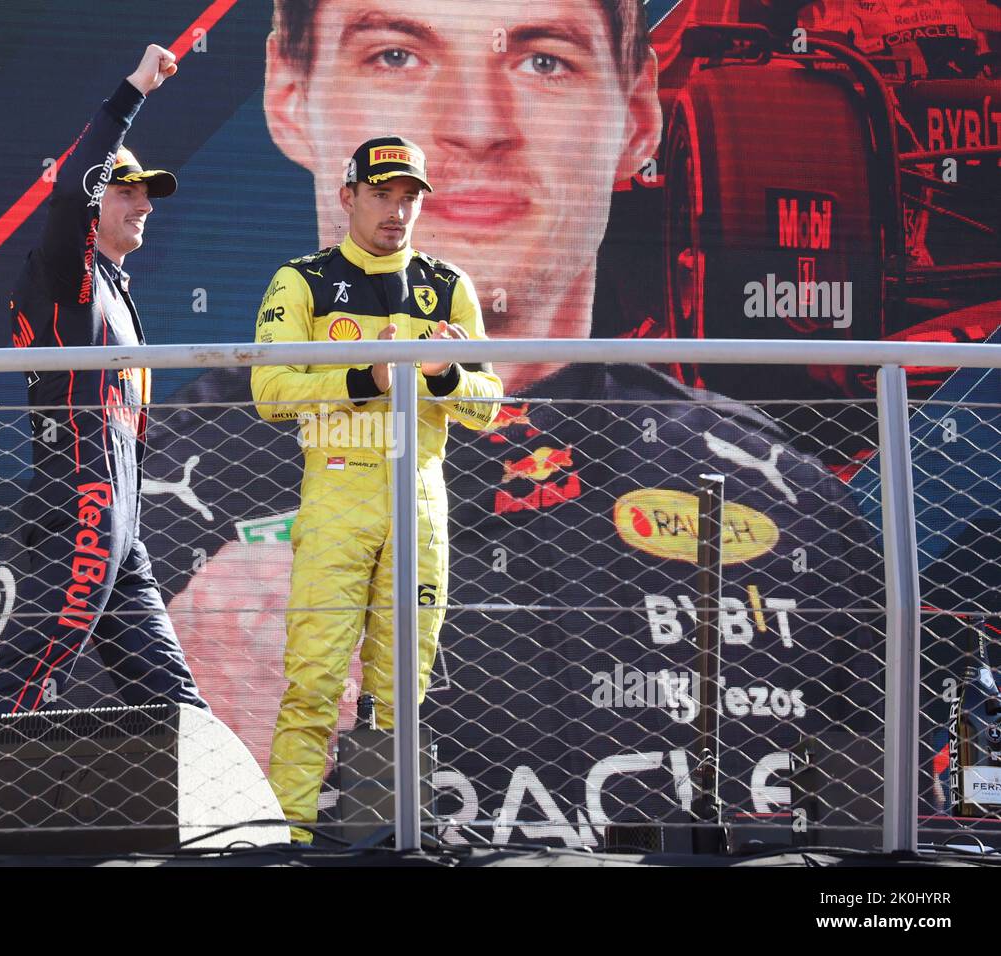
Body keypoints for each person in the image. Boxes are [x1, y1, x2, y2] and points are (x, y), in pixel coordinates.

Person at [141, 0, 883, 845]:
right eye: (395, 56)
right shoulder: (141, 488)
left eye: (543, 61)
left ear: (638, 114)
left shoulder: (789, 501)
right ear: (288, 94)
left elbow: (878, 847)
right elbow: (12, 814)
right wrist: (190, 728)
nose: (476, 127)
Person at [251, 136, 504, 840]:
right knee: (313, 685)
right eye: (383, 194)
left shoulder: (448, 285)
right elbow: (269, 390)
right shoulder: (301, 279)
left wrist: (446, 376)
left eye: (409, 198)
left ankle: (389, 840)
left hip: (421, 500)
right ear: (348, 195)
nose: (397, 211)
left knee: (401, 696)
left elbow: (488, 407)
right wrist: (372, 376)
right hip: (336, 493)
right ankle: (287, 839)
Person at [0, 44, 208, 742]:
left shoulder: (116, 291)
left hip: (121, 528)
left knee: (172, 701)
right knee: (24, 683)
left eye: (147, 195)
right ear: (97, 201)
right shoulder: (64, 275)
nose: (144, 206)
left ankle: (214, 834)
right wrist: (132, 91)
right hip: (81, 504)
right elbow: (70, 191)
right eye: (128, 191)